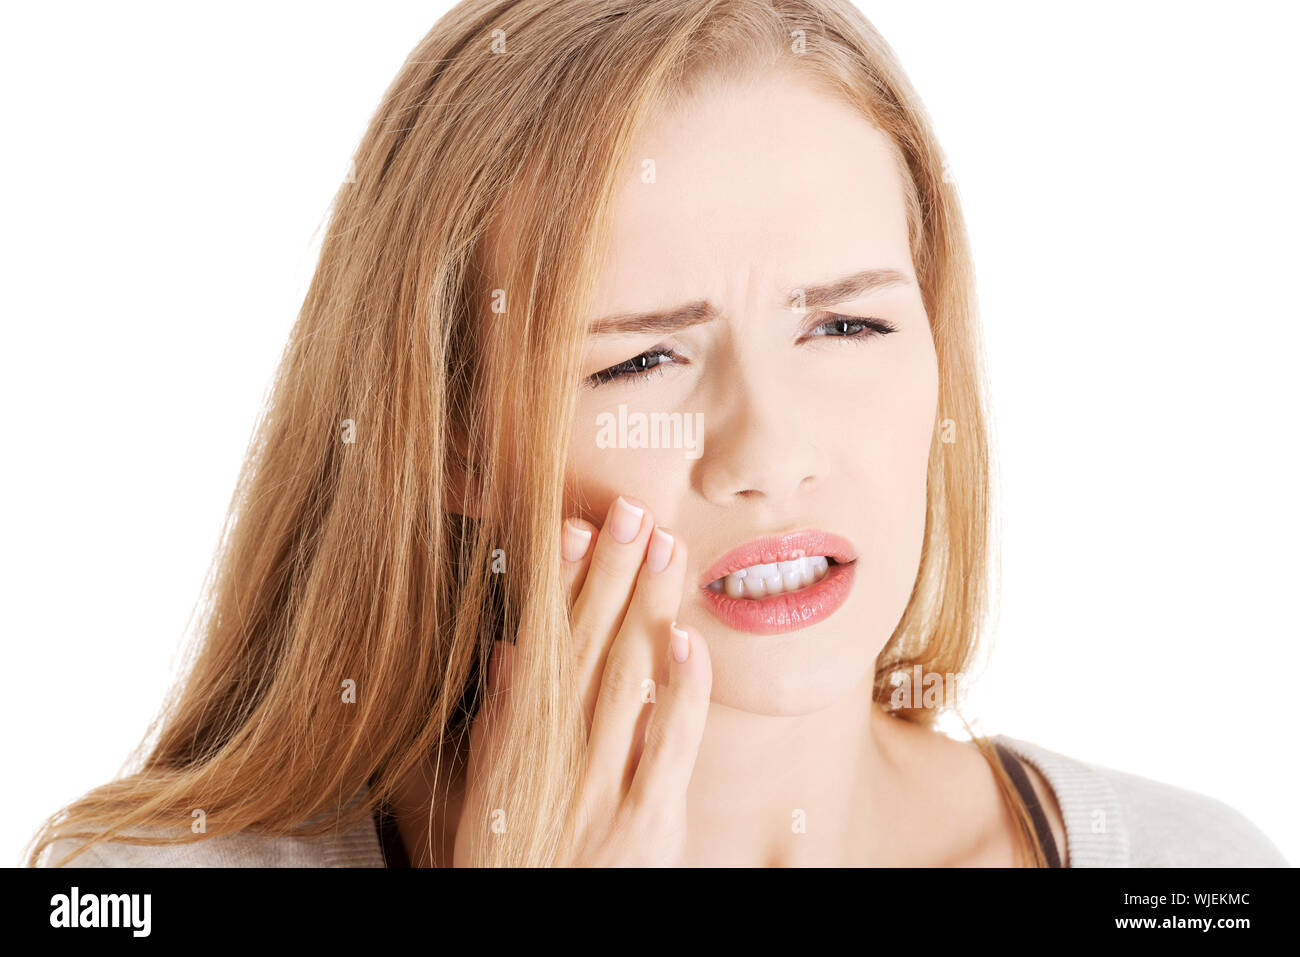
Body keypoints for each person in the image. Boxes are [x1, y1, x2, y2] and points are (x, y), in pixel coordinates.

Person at [29, 0, 1286, 869]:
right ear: (457, 440)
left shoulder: (1194, 875)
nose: (769, 453)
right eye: (642, 356)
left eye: (845, 328)